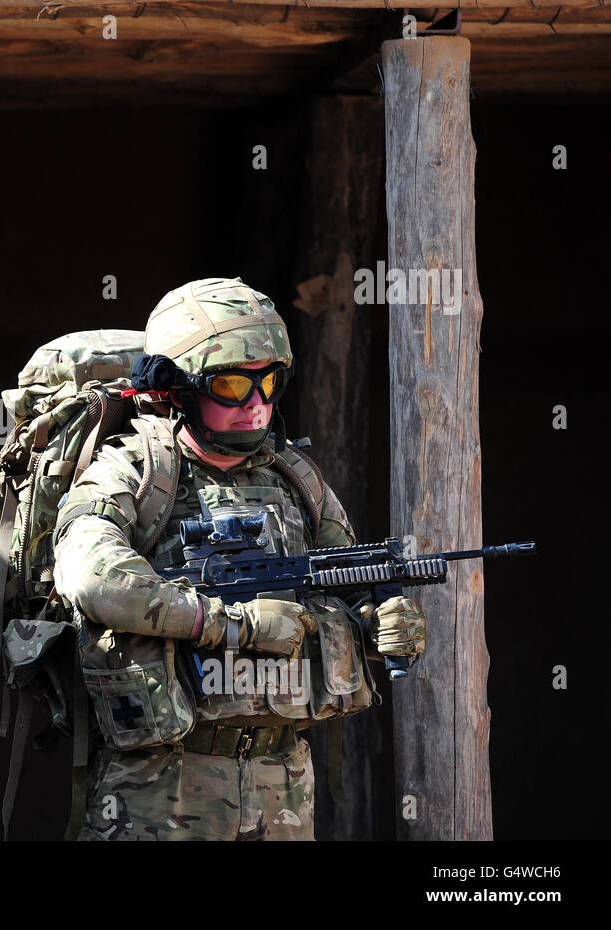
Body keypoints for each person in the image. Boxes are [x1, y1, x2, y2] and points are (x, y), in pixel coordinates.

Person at [52, 276, 426, 841]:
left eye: (271, 382)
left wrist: (382, 623)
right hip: (162, 790)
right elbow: (91, 576)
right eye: (230, 385)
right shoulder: (137, 472)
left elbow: (346, 578)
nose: (256, 405)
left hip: (283, 785)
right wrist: (234, 625)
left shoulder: (298, 483)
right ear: (177, 390)